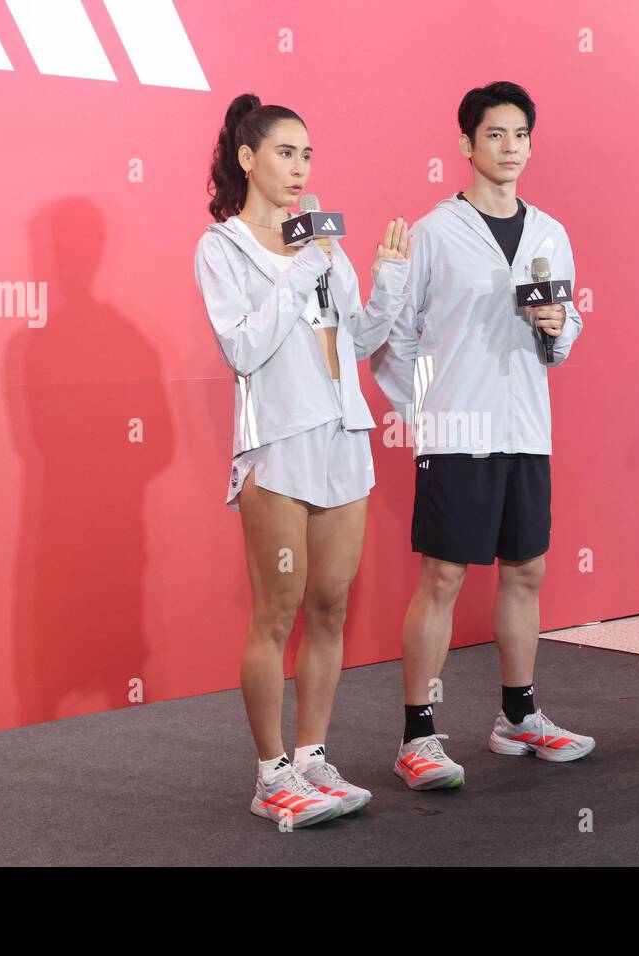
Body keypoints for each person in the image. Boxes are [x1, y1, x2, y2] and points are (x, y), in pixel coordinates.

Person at [194, 93, 413, 825]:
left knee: (330, 604)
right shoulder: (222, 247)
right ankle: (269, 773)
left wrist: (386, 282)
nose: (299, 167)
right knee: (276, 610)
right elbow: (243, 348)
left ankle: (313, 757)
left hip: (343, 436)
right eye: (285, 153)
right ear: (249, 159)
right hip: (277, 443)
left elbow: (354, 340)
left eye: (308, 154)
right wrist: (297, 265)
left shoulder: (322, 243)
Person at [371, 81, 592, 791]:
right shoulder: (435, 231)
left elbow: (566, 327)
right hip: (457, 429)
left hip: (527, 426)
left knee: (526, 571)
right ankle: (418, 735)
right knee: (442, 577)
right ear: (466, 145)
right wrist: (428, 409)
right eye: (495, 134)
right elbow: (393, 339)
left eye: (520, 134)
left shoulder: (550, 233)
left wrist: (561, 331)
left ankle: (518, 716)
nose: (510, 148)